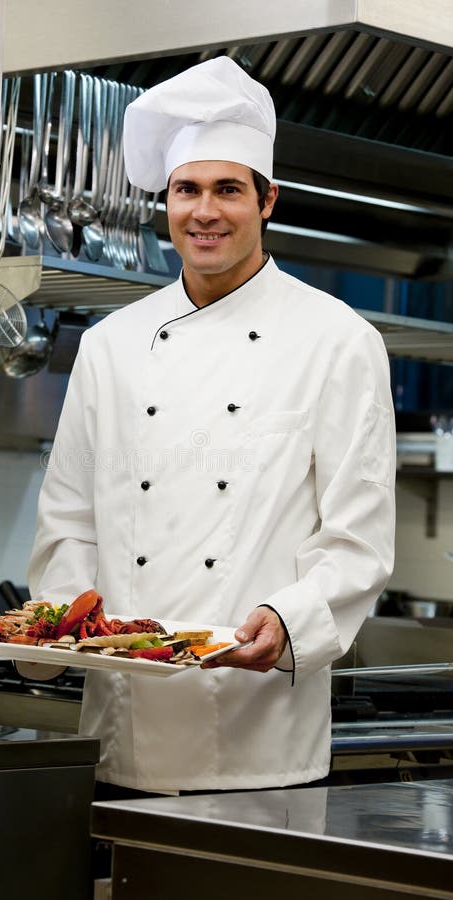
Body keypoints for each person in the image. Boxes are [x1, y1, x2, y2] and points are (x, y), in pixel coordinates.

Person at [28, 56, 396, 793]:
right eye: (186, 190)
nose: (204, 211)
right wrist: (61, 625)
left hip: (258, 734)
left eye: (228, 189)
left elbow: (358, 539)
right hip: (122, 726)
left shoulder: (337, 340)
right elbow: (69, 519)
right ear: (164, 201)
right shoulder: (110, 345)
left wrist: (291, 619)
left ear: (267, 200)